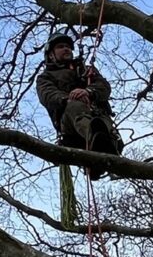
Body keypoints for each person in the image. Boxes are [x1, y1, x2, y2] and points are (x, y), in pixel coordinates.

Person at [34, 34, 123, 175]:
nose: (66, 49)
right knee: (75, 106)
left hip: (98, 116)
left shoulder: (86, 70)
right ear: (51, 55)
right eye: (60, 47)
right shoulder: (45, 77)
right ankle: (95, 141)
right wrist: (68, 98)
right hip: (71, 125)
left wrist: (88, 92)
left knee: (101, 123)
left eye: (68, 47)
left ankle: (102, 148)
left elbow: (104, 87)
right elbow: (47, 95)